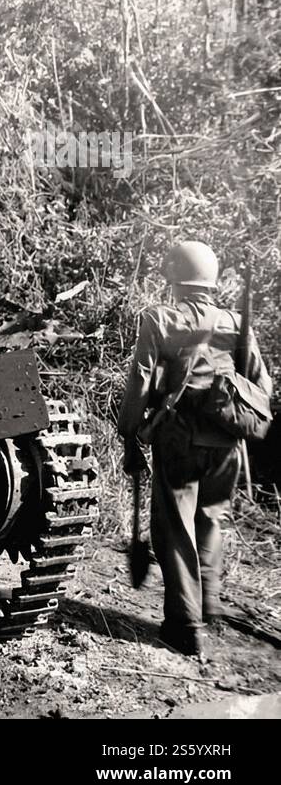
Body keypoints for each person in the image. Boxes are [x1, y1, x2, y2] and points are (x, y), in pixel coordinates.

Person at [117, 240, 272, 657]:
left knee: (175, 527)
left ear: (173, 279)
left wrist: (129, 431)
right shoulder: (236, 323)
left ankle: (186, 628)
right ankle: (209, 606)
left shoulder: (160, 319)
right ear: (211, 279)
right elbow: (263, 388)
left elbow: (141, 386)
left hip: (179, 439)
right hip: (227, 443)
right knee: (210, 520)